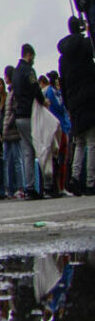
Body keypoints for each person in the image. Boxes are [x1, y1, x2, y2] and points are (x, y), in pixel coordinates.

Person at [59, 16, 95, 194]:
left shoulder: (63, 57)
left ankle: (74, 177)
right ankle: (90, 182)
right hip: (89, 98)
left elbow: (63, 81)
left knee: (79, 142)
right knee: (92, 141)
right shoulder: (86, 45)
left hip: (73, 102)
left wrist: (67, 104)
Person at [11, 43, 48, 198]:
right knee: (39, 149)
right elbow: (35, 89)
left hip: (19, 116)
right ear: (29, 54)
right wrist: (43, 101)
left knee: (27, 152)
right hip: (29, 114)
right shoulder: (28, 71)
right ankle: (46, 184)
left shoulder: (15, 72)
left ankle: (29, 186)